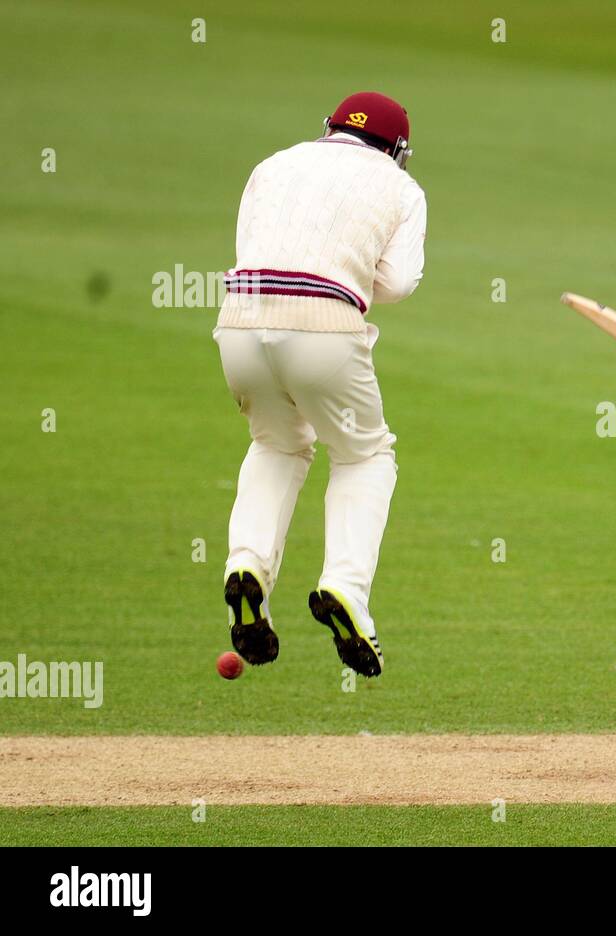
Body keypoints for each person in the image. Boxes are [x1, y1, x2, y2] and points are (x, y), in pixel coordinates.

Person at [213, 91, 426, 678]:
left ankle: (247, 567)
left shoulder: (273, 163)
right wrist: (350, 277)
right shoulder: (402, 189)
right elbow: (402, 281)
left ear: (329, 128)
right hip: (325, 327)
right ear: (396, 149)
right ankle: (345, 590)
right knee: (365, 455)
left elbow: (250, 249)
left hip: (239, 320)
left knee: (275, 444)